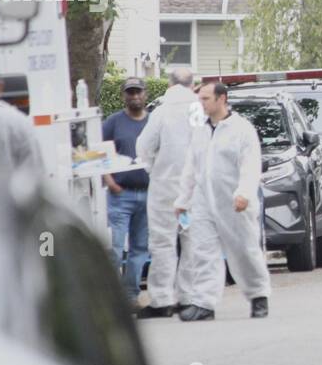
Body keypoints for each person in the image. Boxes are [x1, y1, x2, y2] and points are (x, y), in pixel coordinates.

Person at [174, 81, 269, 321]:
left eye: (206, 98)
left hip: (235, 202)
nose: (201, 103)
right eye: (200, 99)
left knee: (245, 250)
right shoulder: (200, 130)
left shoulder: (241, 129)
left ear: (222, 99)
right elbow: (191, 167)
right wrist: (183, 200)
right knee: (203, 251)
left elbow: (250, 164)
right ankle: (204, 303)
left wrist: (244, 193)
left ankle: (258, 296)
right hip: (204, 201)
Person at [134, 67, 199, 318]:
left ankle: (162, 299)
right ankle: (188, 296)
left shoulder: (161, 112)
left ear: (170, 84)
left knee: (163, 242)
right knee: (191, 241)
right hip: (194, 188)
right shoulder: (198, 110)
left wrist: (153, 168)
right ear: (192, 85)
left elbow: (144, 146)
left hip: (165, 187)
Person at [102, 77, 151, 306]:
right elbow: (98, 153)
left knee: (140, 249)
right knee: (115, 247)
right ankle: (112, 298)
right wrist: (109, 181)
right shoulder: (113, 122)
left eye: (138, 92)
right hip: (120, 194)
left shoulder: (153, 123)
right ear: (124, 96)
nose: (134, 96)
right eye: (130, 92)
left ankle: (131, 295)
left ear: (145, 94)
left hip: (148, 194)